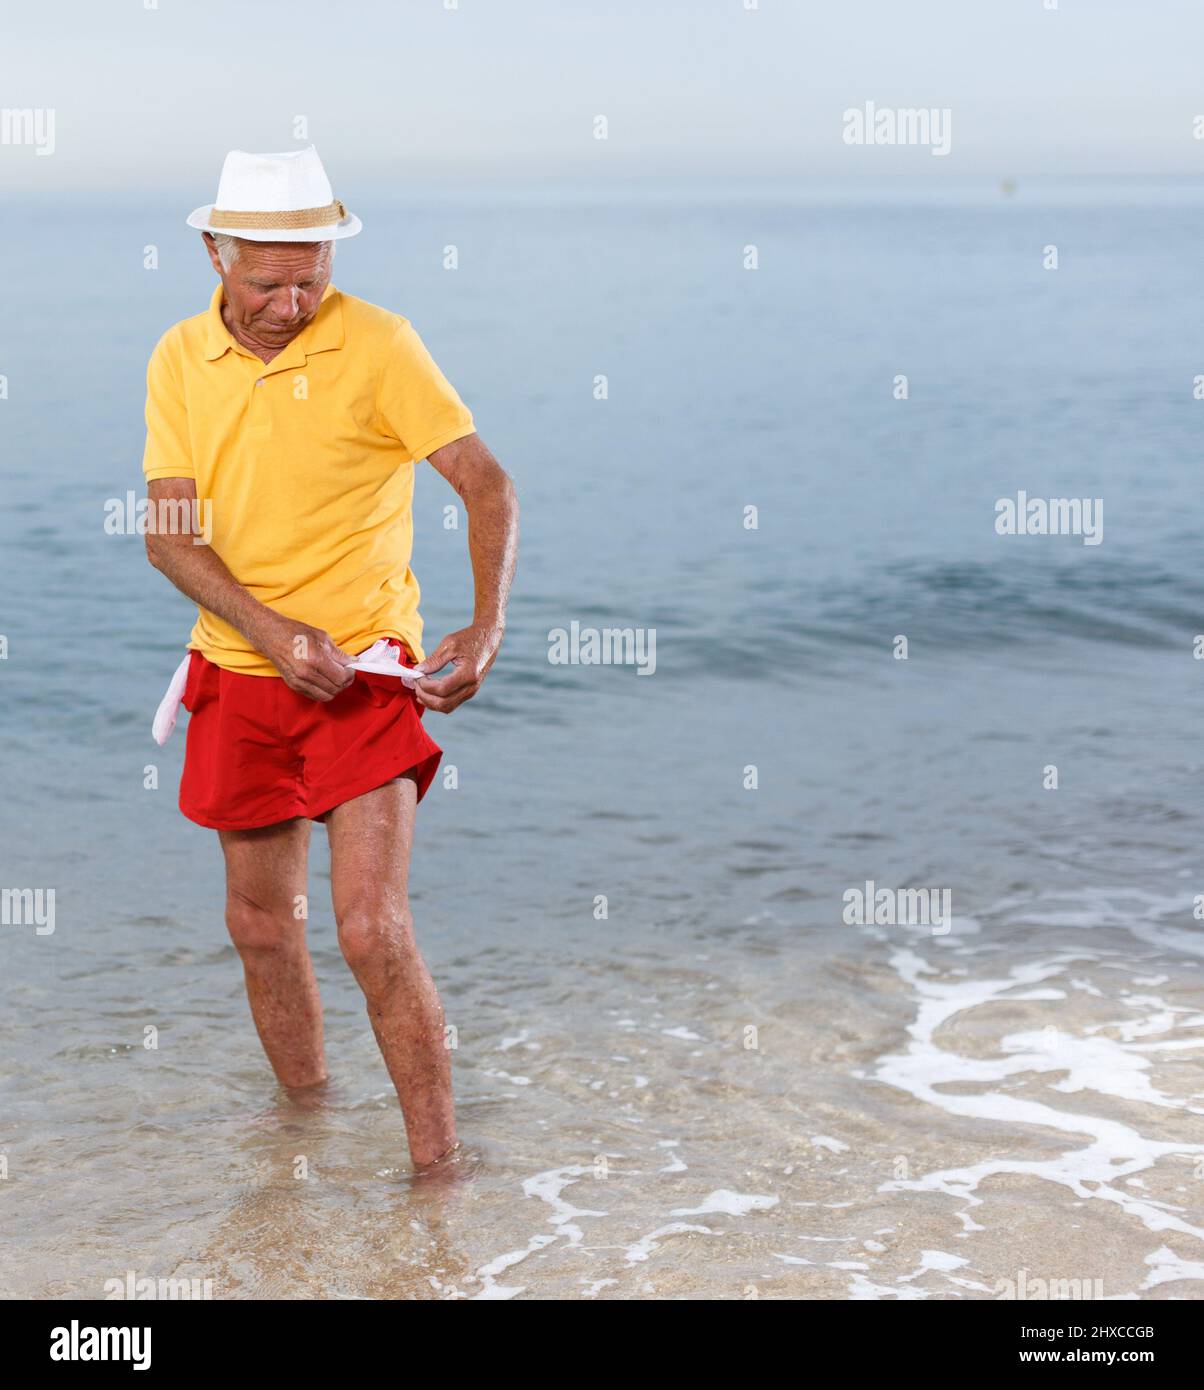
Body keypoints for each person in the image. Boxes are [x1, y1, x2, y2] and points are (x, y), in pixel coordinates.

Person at [142, 145, 518, 1168]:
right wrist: (269, 632)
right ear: (216, 254)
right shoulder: (179, 356)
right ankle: (301, 1138)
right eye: (267, 280)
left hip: (367, 673)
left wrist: (483, 630)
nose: (291, 300)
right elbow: (170, 535)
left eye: (313, 276)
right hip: (238, 673)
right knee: (261, 926)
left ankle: (439, 1177)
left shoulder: (382, 344)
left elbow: (487, 484)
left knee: (368, 928)